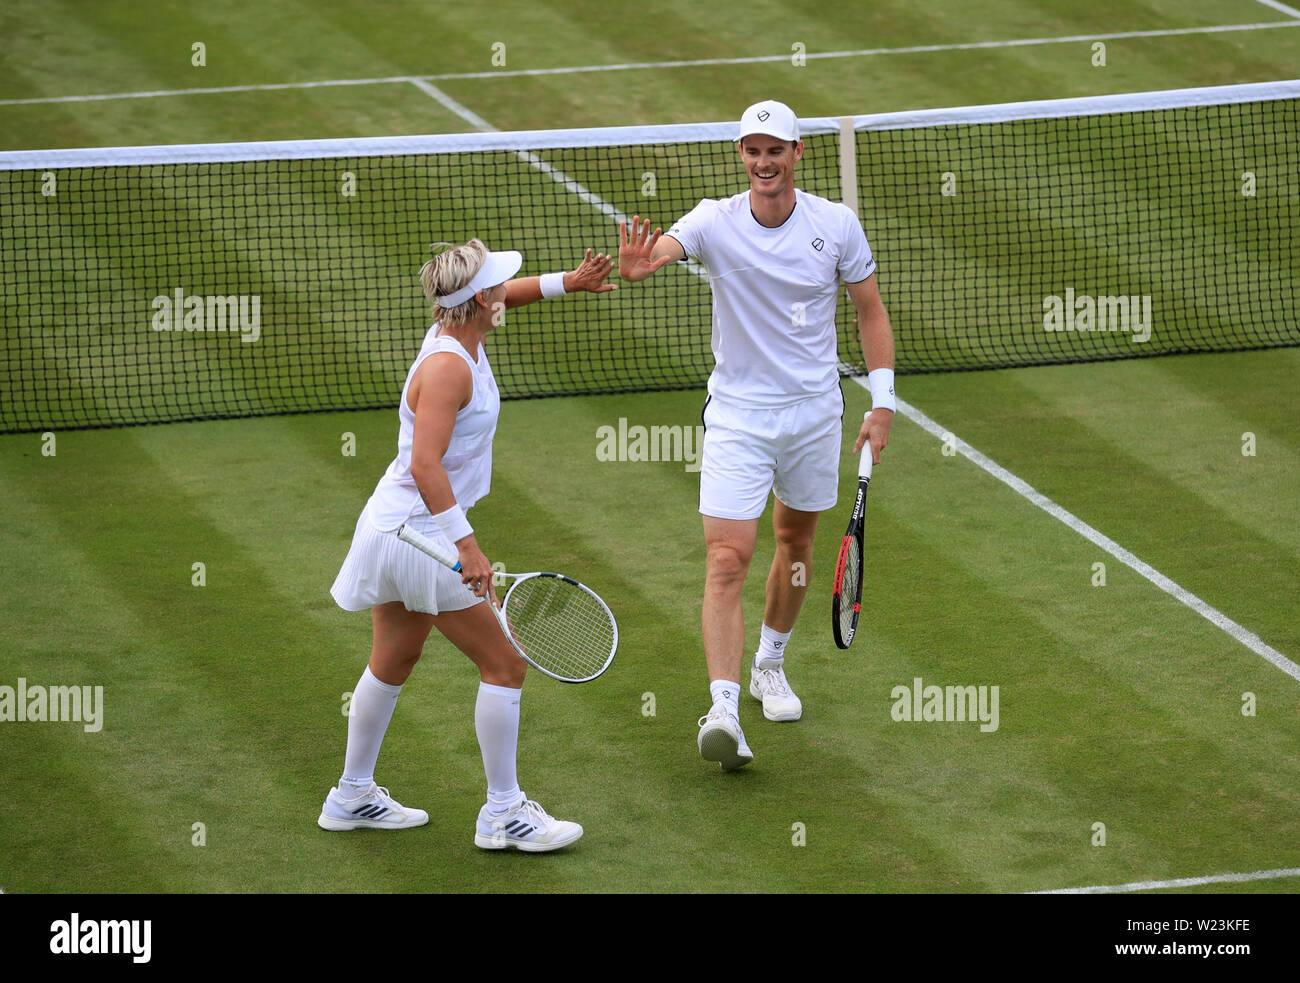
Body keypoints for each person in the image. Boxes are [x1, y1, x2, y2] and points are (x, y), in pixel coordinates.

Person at [618, 99, 897, 770]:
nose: (763, 161)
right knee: (727, 558)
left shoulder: (836, 225)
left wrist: (881, 404)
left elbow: (871, 312)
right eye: (752, 150)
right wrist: (642, 264)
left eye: (775, 150)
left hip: (813, 414)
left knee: (795, 542)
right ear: (741, 156)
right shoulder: (715, 220)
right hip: (739, 416)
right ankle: (722, 706)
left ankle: (770, 661)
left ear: (798, 154)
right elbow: (664, 249)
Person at [320, 239, 616, 848]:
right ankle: (504, 813)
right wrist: (469, 547)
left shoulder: (460, 334)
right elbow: (427, 466)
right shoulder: (450, 367)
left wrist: (569, 282)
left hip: (391, 526)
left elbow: (516, 291)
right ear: (479, 300)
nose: (507, 289)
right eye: (497, 285)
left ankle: (350, 794)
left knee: (394, 659)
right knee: (504, 664)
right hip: (419, 535)